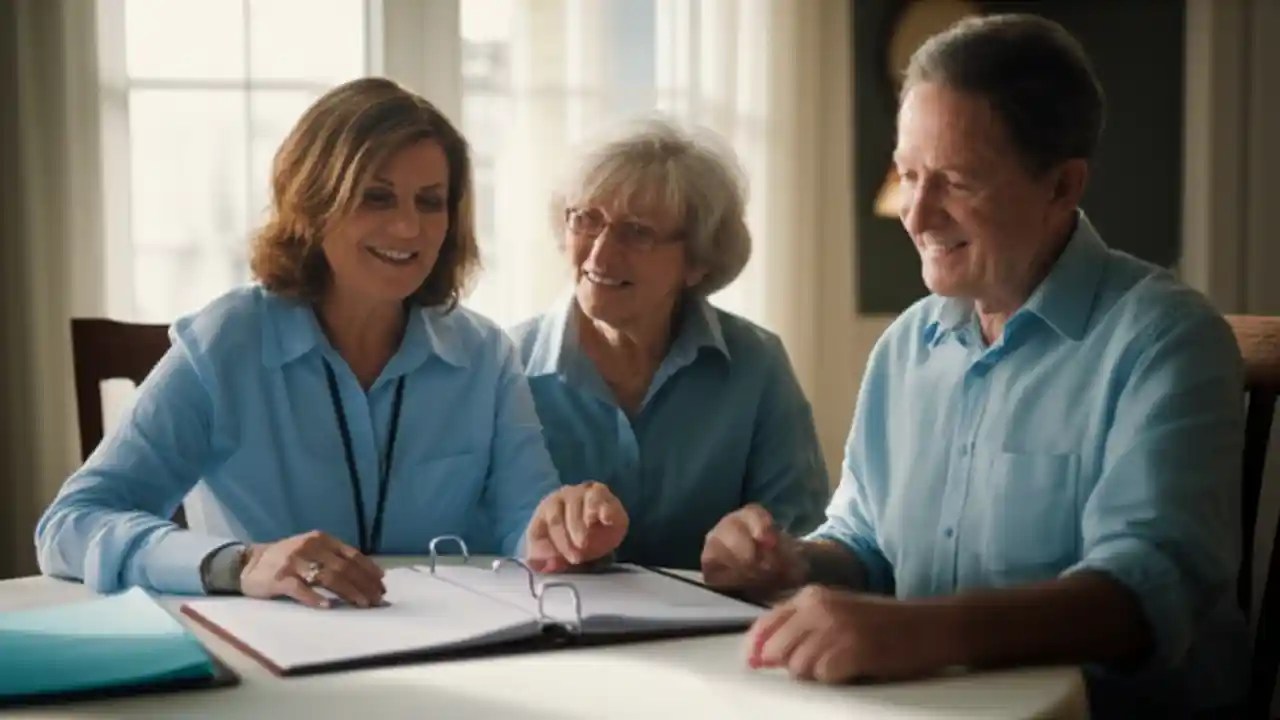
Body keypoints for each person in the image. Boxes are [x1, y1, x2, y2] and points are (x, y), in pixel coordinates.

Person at [700, 15, 1246, 718]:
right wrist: (791, 564)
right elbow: (865, 541)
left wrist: (917, 632)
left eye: (955, 181)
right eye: (907, 175)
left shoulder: (1166, 339)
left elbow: (1142, 596)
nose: (916, 213)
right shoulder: (905, 347)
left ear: (1062, 187)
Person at [36, 77, 627, 607]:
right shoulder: (227, 342)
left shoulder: (485, 355)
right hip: (271, 666)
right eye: (376, 196)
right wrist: (241, 563)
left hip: (451, 653)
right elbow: (70, 524)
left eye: (430, 201)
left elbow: (523, 526)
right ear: (313, 202)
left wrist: (566, 533)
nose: (408, 228)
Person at [508, 120, 829, 570]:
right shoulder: (509, 364)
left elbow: (804, 531)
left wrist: (763, 550)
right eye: (587, 220)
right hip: (556, 627)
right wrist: (540, 535)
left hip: (712, 631)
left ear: (697, 260)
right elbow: (483, 531)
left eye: (637, 232)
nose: (599, 255)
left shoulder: (756, 364)